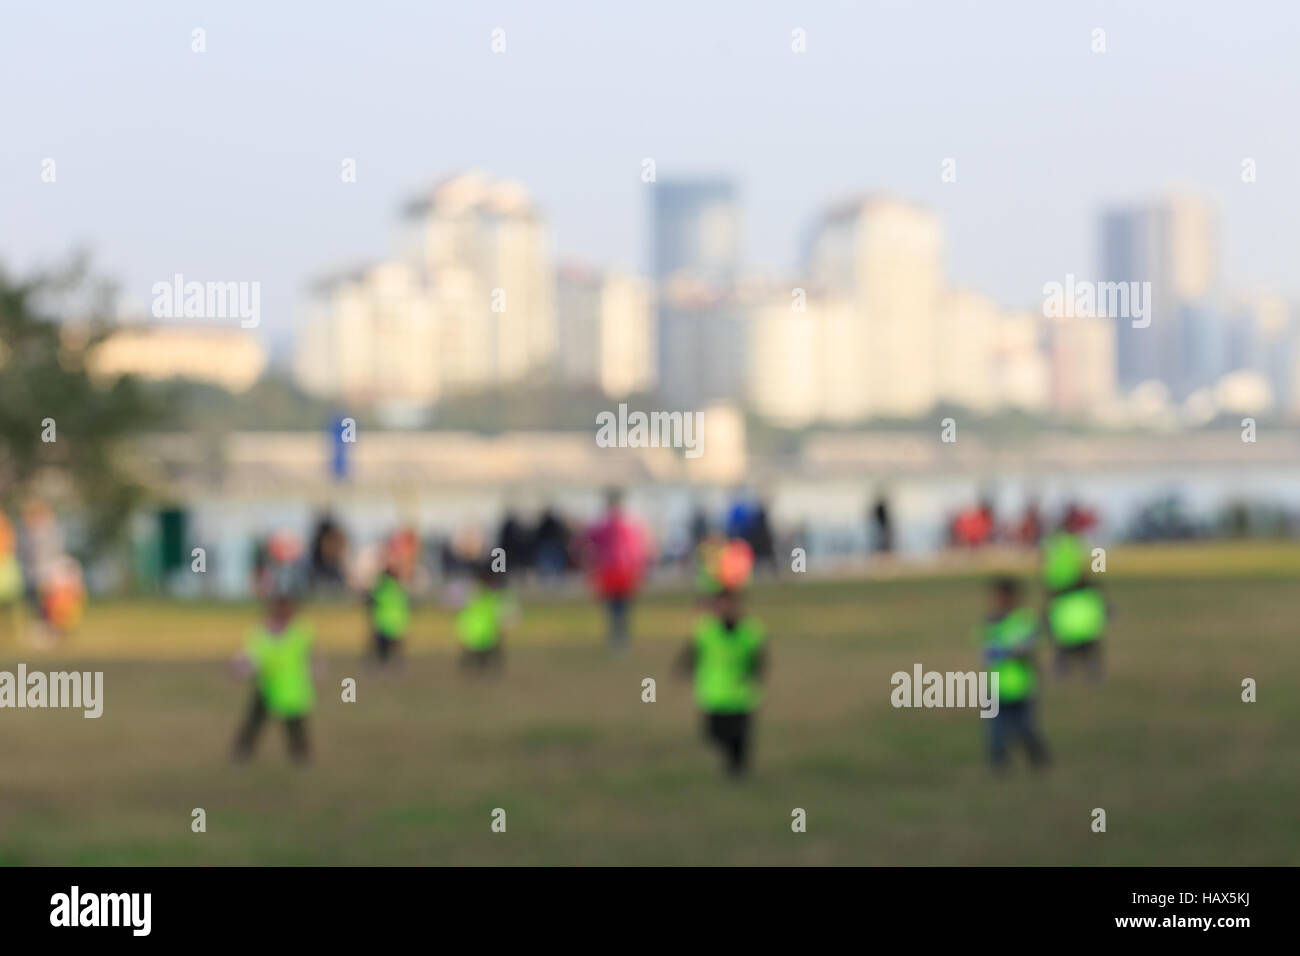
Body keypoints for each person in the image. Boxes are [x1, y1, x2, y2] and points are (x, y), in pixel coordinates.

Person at [676, 586, 766, 778]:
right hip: (714, 693)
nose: (727, 610)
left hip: (741, 694)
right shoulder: (706, 630)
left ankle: (737, 770)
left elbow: (759, 659)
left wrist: (755, 676)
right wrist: (682, 669)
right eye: (723, 605)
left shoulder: (750, 631)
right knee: (713, 734)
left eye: (731, 605)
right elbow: (692, 652)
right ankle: (732, 761)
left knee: (740, 736)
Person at [232, 563, 318, 764]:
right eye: (278, 604)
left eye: (286, 604)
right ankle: (243, 749)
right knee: (255, 720)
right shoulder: (261, 630)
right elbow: (250, 654)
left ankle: (301, 752)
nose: (282, 609)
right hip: (267, 685)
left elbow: (310, 654)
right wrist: (242, 667)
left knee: (295, 725)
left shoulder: (300, 629)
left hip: (291, 687)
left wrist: (314, 669)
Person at [978, 577, 1049, 772]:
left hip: (1020, 686)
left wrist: (1010, 651)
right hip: (995, 687)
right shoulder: (990, 622)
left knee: (1024, 727)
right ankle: (999, 766)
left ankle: (1038, 758)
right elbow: (986, 652)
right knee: (996, 731)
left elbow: (1027, 648)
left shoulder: (1024, 621)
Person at [582, 488, 650, 654]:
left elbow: (588, 541)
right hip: (623, 571)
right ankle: (621, 638)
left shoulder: (603, 525)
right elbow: (637, 550)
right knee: (621, 607)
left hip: (612, 571)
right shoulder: (629, 523)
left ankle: (617, 638)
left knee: (614, 607)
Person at [456, 562, 513, 672]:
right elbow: (502, 616)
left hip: (475, 637)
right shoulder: (492, 597)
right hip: (486, 638)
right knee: (485, 663)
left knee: (475, 664)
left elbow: (463, 617)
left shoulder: (471, 595)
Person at [367, 552, 411, 667]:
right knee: (393, 651)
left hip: (384, 623)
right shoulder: (398, 587)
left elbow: (372, 601)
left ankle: (382, 666)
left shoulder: (383, 586)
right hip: (395, 623)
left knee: (383, 652)